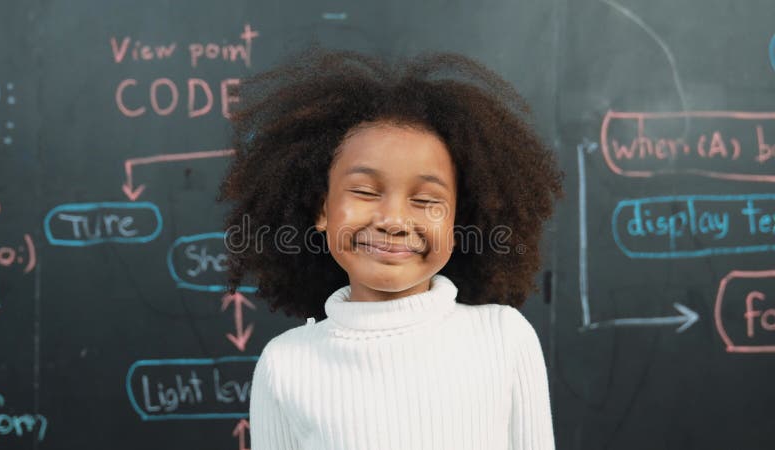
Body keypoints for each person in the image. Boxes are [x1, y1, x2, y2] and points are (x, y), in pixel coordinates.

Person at [217, 44, 564, 450]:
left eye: (426, 200)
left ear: (457, 221)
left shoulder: (504, 340)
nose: (395, 221)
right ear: (321, 209)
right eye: (364, 191)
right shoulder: (286, 365)